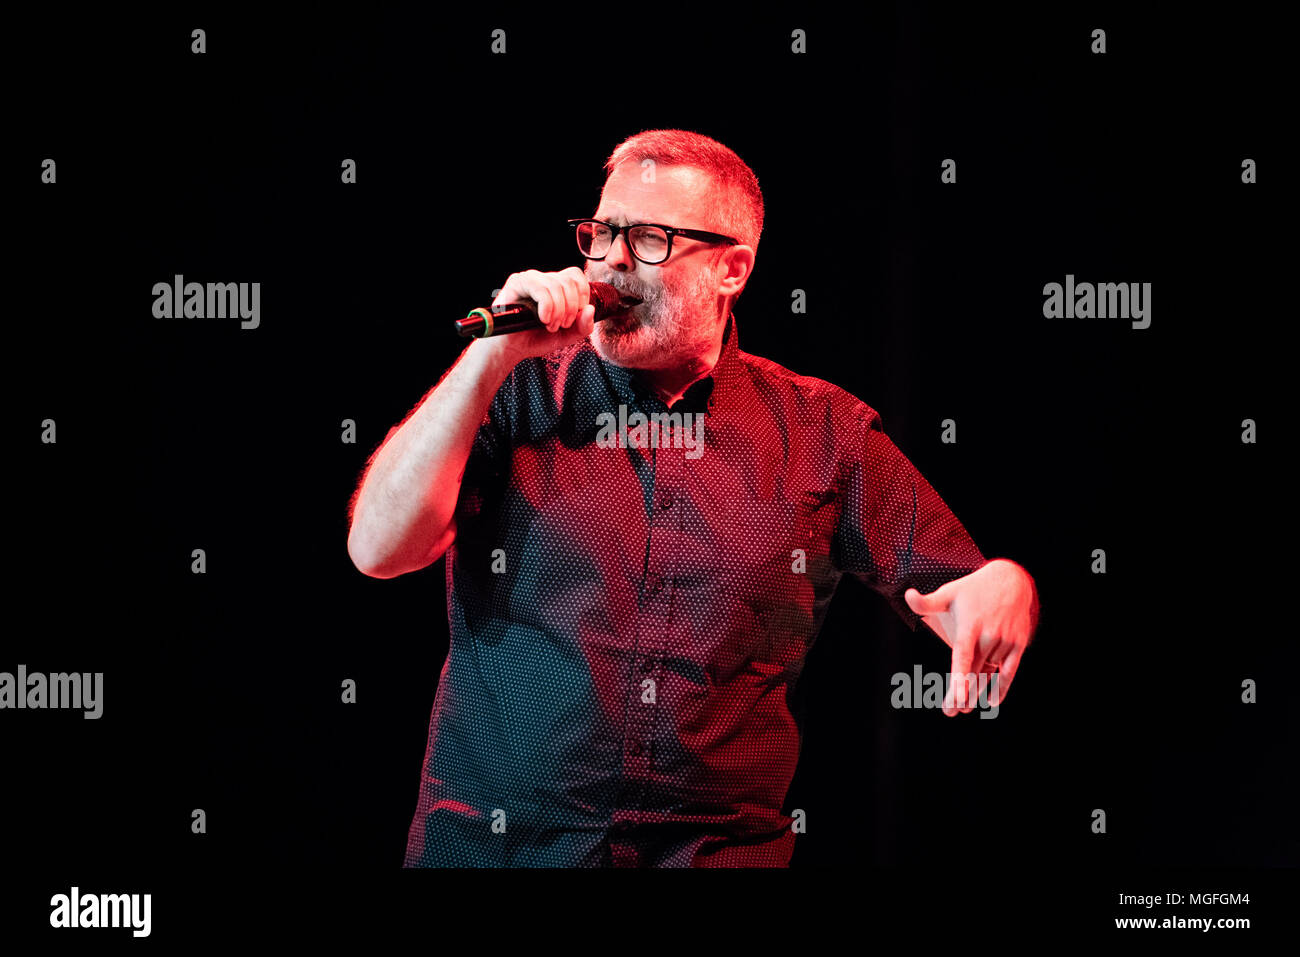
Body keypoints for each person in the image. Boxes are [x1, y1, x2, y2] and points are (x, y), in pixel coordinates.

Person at [346, 129, 1039, 867]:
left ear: (731, 269)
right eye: (602, 232)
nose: (611, 258)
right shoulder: (515, 389)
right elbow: (378, 549)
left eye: (647, 238)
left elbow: (961, 584)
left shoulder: (823, 431)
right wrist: (488, 355)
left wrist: (1005, 586)